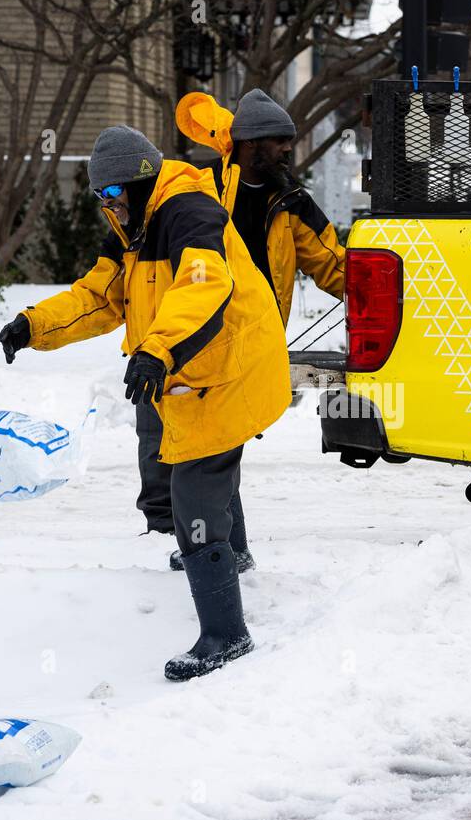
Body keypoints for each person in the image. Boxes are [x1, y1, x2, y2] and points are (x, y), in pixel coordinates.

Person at [0, 125, 290, 681]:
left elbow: (204, 286)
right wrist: (32, 326)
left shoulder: (187, 213)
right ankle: (237, 556)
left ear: (139, 180)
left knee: (194, 493)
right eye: (99, 198)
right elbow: (99, 296)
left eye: (110, 194)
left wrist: (156, 348)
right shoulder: (133, 224)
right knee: (211, 464)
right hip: (196, 365)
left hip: (226, 366)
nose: (106, 205)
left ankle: (226, 635)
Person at [133, 88, 346, 572]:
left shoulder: (292, 201)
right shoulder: (201, 186)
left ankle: (220, 546)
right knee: (207, 445)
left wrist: (389, 292)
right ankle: (224, 545)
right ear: (250, 144)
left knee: (217, 447)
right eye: (279, 142)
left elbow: (334, 264)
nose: (288, 151)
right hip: (198, 333)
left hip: (252, 340)